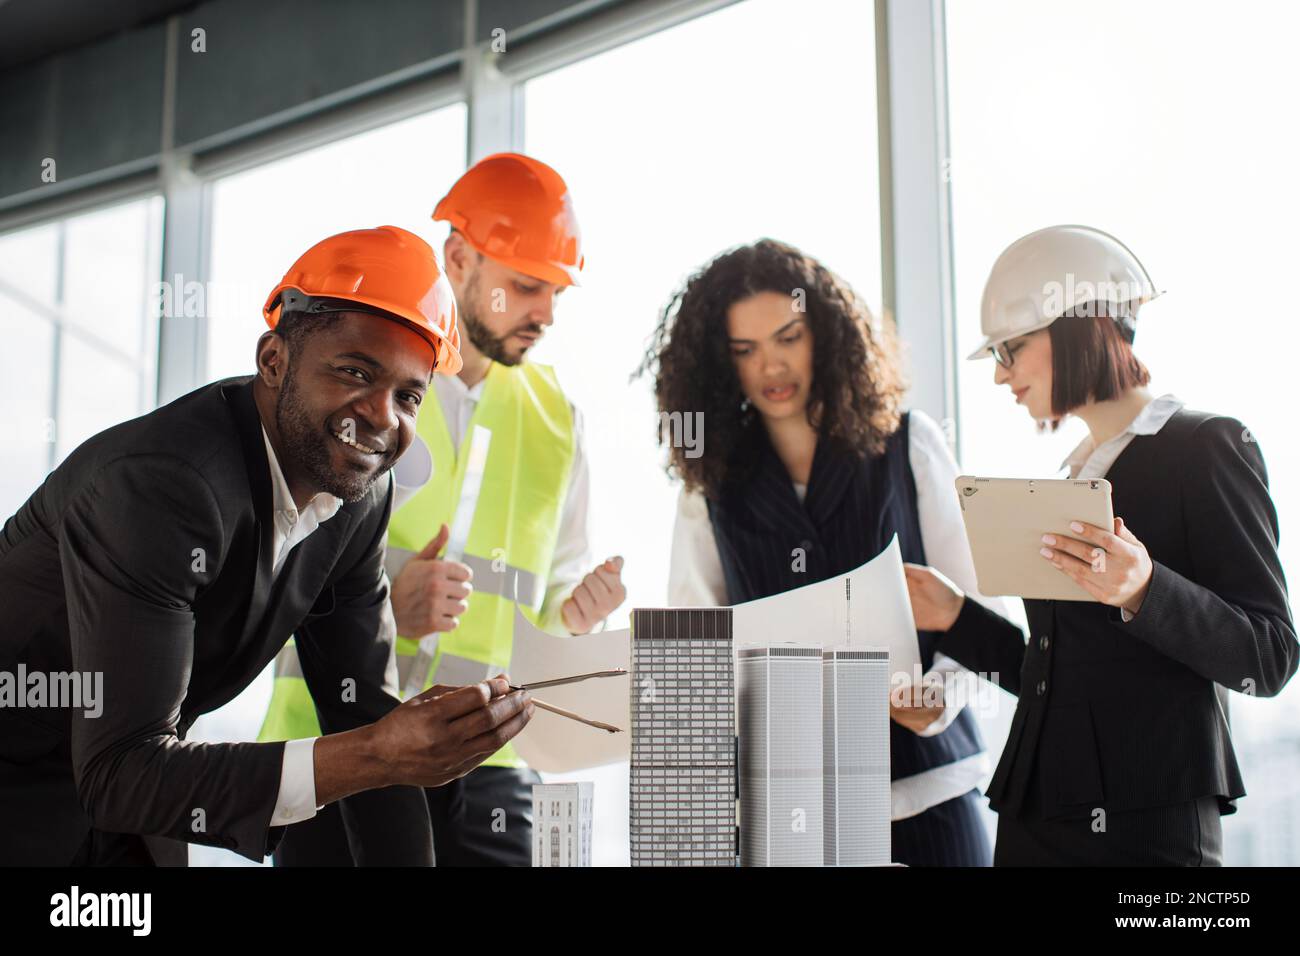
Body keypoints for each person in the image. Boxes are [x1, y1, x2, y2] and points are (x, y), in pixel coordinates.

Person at [0, 225, 534, 866]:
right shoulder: (161, 483)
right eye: (355, 372)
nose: (383, 416)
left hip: (138, 798)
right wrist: (377, 752)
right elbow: (122, 771)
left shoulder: (356, 499)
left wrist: (387, 752)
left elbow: (363, 714)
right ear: (273, 359)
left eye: (408, 396)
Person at [261, 154, 626, 867]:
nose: (545, 314)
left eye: (555, 293)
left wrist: (576, 619)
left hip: (490, 758)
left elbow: (548, 600)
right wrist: (389, 608)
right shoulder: (357, 389)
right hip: (336, 742)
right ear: (458, 258)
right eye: (526, 287)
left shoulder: (560, 422)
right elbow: (270, 572)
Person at [905, 224, 1298, 865]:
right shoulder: (1075, 478)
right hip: (1035, 815)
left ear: (1076, 327)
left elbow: (1271, 655)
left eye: (1011, 349)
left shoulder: (1205, 447)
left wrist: (1146, 590)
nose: (1002, 376)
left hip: (1146, 825)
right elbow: (1051, 674)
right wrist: (956, 618)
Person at [642, 238, 1009, 866]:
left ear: (826, 335)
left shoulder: (908, 443)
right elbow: (692, 655)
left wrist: (940, 699)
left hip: (929, 797)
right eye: (745, 350)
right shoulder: (708, 486)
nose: (771, 368)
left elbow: (981, 607)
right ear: (719, 362)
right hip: (787, 816)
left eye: (788, 338)